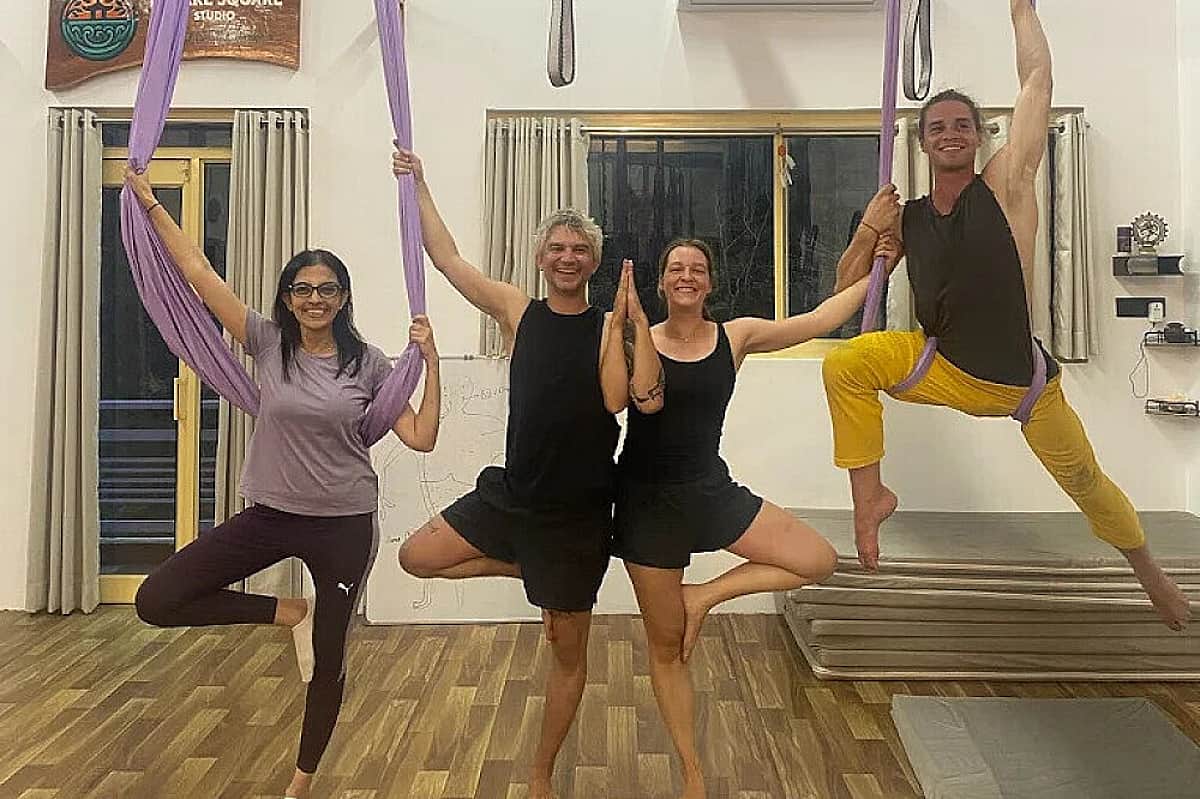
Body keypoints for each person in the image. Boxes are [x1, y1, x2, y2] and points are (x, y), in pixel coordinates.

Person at [821, 0, 1190, 630]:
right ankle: (869, 500)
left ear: (979, 135)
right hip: (941, 367)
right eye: (937, 127)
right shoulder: (905, 216)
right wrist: (866, 230)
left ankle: (1151, 576)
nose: (951, 133)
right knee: (847, 363)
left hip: (1025, 387)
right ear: (923, 141)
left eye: (962, 124)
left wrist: (1021, 9)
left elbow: (1036, 83)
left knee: (1086, 482)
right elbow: (846, 297)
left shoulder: (1006, 185)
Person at [125, 168, 442, 799]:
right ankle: (287, 611)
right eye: (303, 289)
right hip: (270, 513)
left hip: (344, 524)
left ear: (343, 298)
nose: (315, 299)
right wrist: (154, 206)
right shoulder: (267, 343)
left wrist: (430, 365)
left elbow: (421, 436)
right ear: (288, 298)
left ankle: (300, 782)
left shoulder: (369, 363)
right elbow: (201, 276)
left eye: (328, 289)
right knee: (156, 599)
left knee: (329, 660)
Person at [390, 148, 662, 799]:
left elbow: (652, 393)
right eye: (557, 247)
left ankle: (540, 773)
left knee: (566, 654)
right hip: (513, 497)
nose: (567, 257)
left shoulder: (610, 329)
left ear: (593, 262)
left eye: (579, 250)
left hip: (578, 518)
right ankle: (525, 567)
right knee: (416, 556)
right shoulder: (517, 310)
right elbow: (449, 259)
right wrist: (421, 183)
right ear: (541, 256)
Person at [612, 235, 895, 798]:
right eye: (675, 268)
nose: (687, 275)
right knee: (667, 648)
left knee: (815, 558)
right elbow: (610, 397)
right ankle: (693, 773)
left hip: (710, 491)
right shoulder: (633, 340)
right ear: (662, 282)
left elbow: (819, 319)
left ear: (710, 282)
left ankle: (703, 597)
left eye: (697, 268)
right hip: (645, 504)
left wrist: (885, 267)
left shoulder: (735, 336)